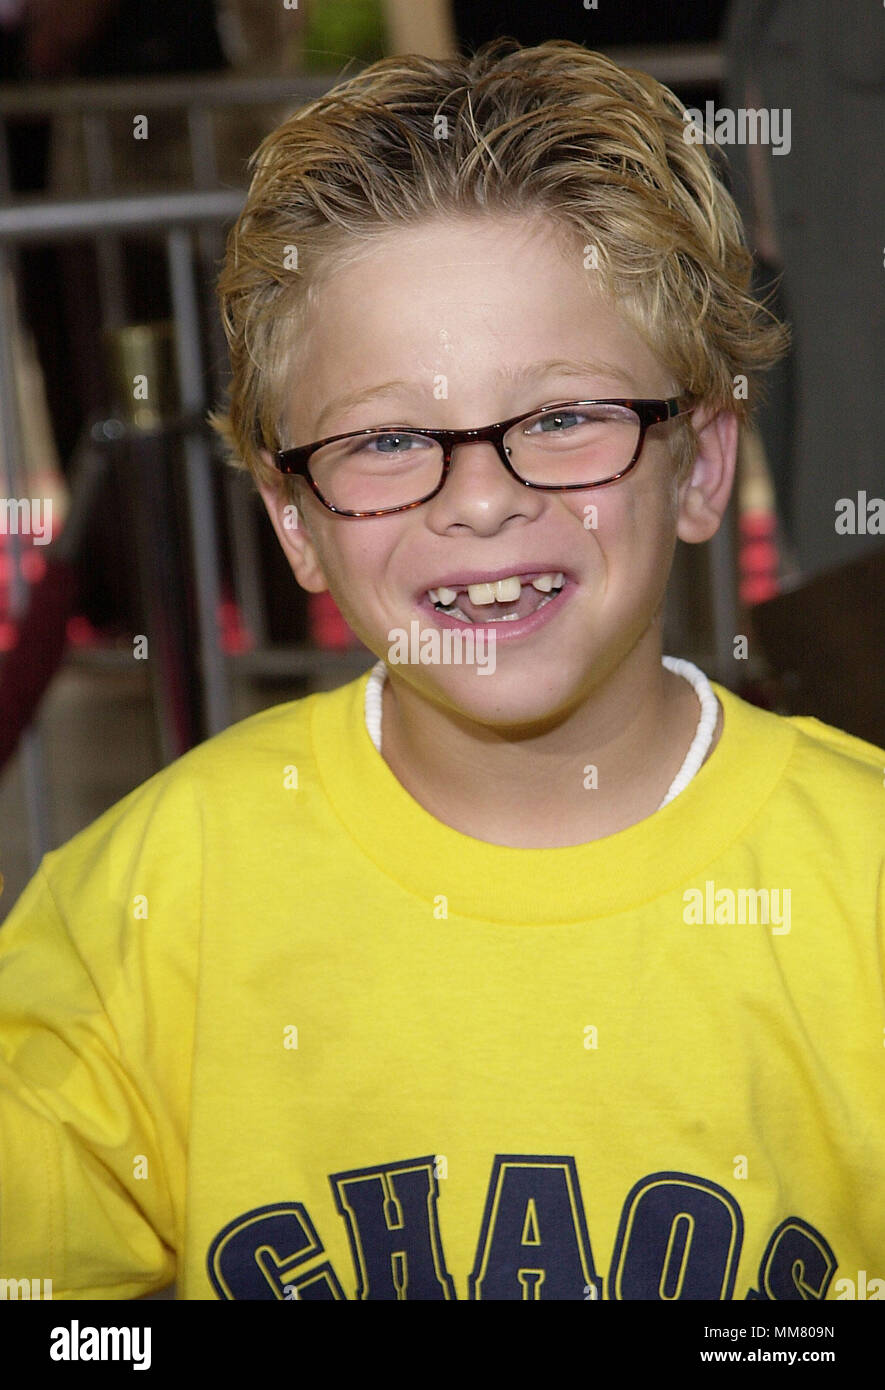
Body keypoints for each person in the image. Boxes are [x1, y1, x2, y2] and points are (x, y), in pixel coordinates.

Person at [0, 39, 882, 1303]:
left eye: (565, 416)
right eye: (390, 437)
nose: (480, 496)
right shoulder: (148, 904)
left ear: (695, 465)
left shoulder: (862, 884)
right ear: (294, 519)